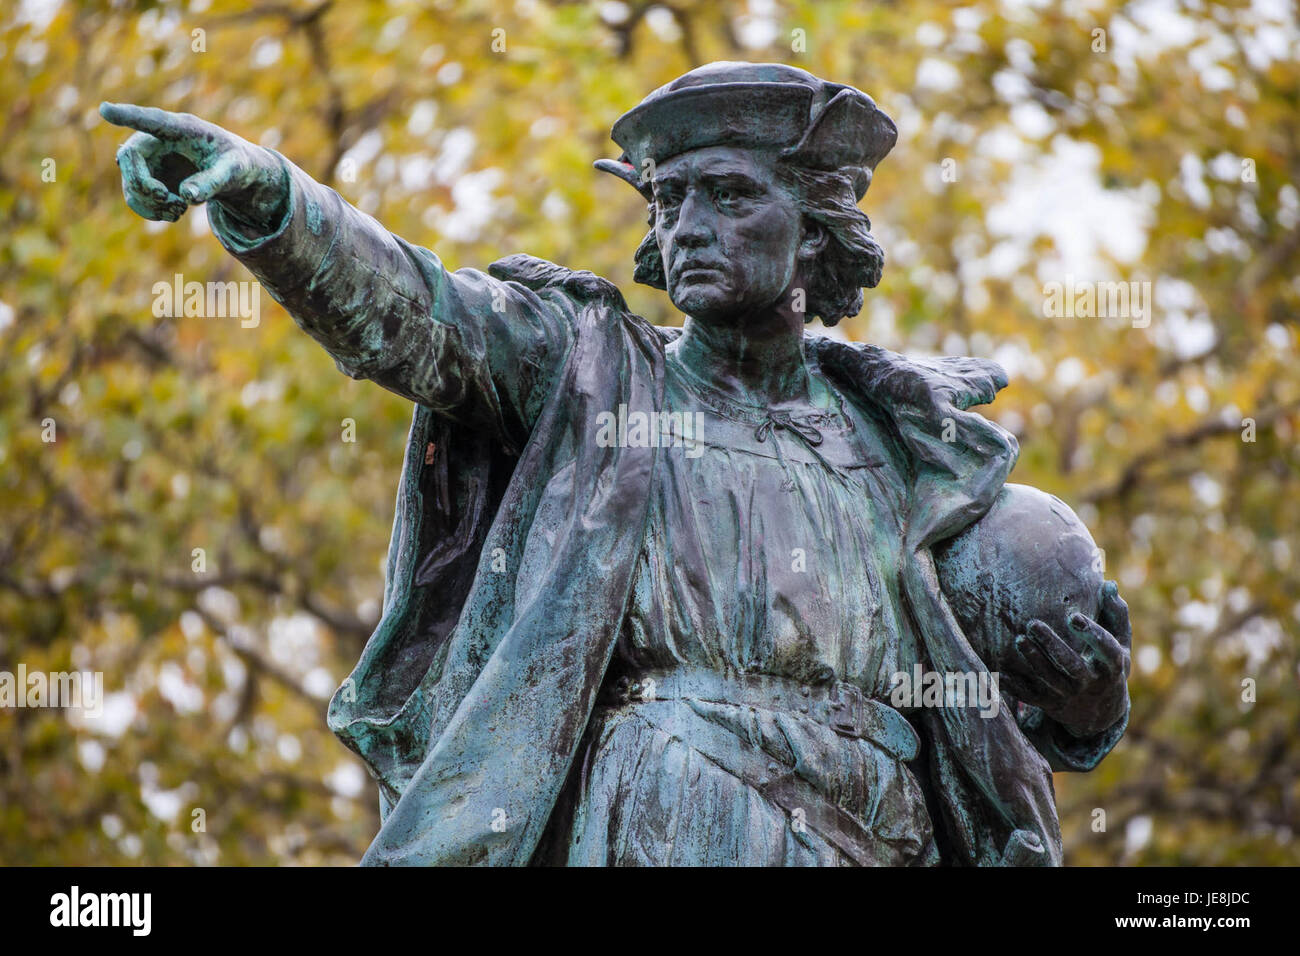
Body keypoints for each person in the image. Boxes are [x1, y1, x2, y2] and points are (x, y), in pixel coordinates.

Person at [103, 61, 1131, 866]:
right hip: (663, 815)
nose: (687, 227)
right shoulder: (592, 373)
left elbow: (978, 711)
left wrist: (1075, 706)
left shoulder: (901, 448)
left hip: (881, 829)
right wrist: (273, 199)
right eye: (669, 200)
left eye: (727, 196)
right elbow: (418, 317)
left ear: (816, 232)